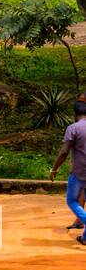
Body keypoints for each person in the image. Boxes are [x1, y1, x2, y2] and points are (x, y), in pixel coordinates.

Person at [50, 98, 86, 244]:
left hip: (79, 172)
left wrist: (54, 169)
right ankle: (84, 238)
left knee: (71, 200)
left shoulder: (73, 128)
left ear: (75, 114)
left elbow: (64, 152)